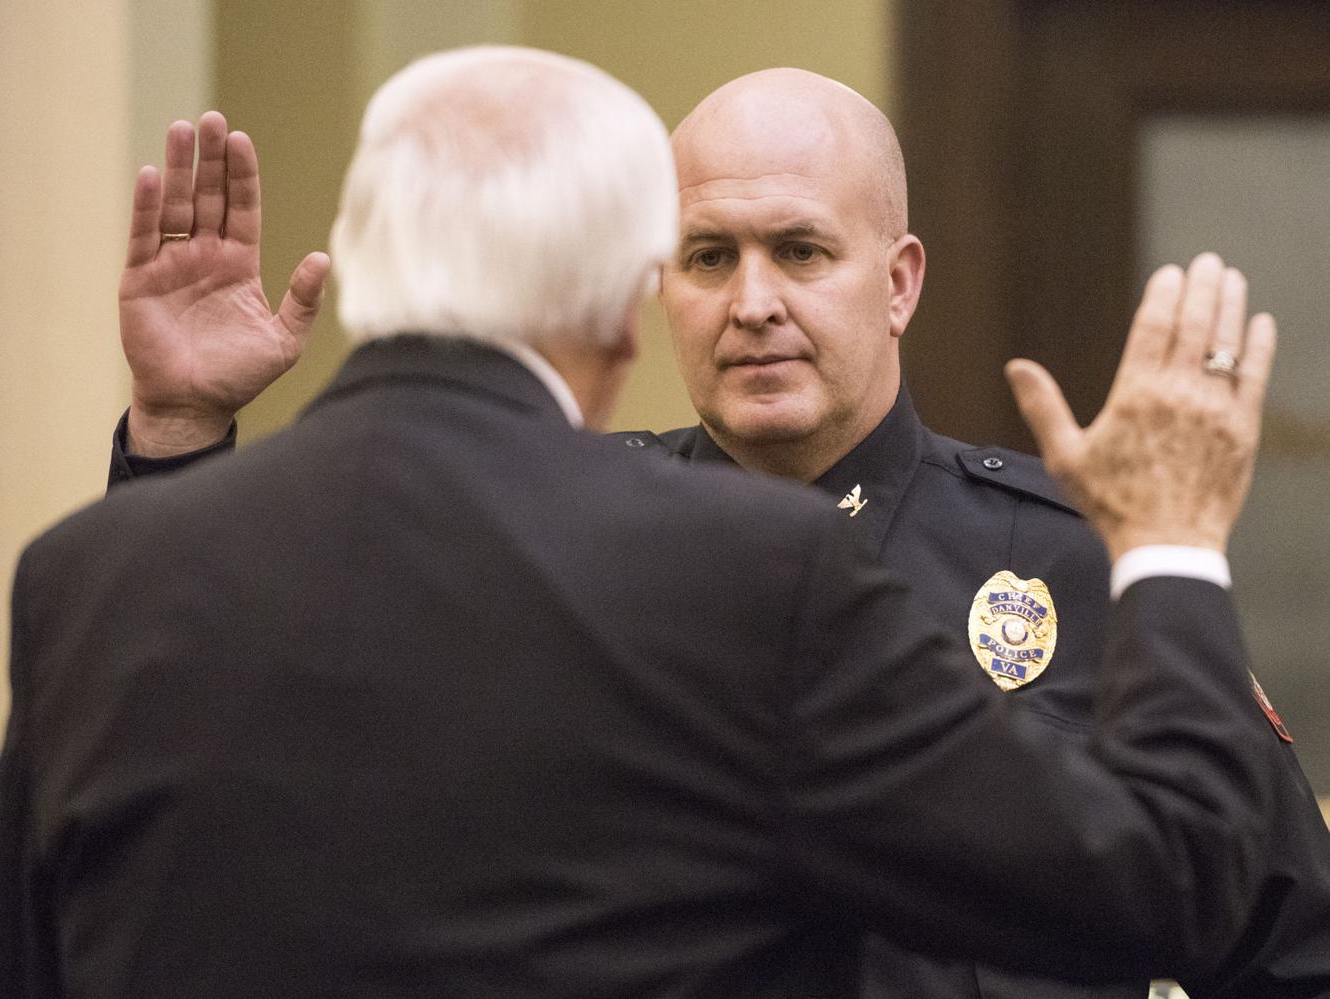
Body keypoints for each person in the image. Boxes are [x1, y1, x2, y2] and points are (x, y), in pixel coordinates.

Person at [85, 64, 1325, 997]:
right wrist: (179, 433)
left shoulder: (1079, 548)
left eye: (798, 251)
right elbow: (230, 762)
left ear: (896, 281)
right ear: (647, 289)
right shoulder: (536, 533)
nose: (754, 304)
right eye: (707, 256)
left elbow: (1279, 929)